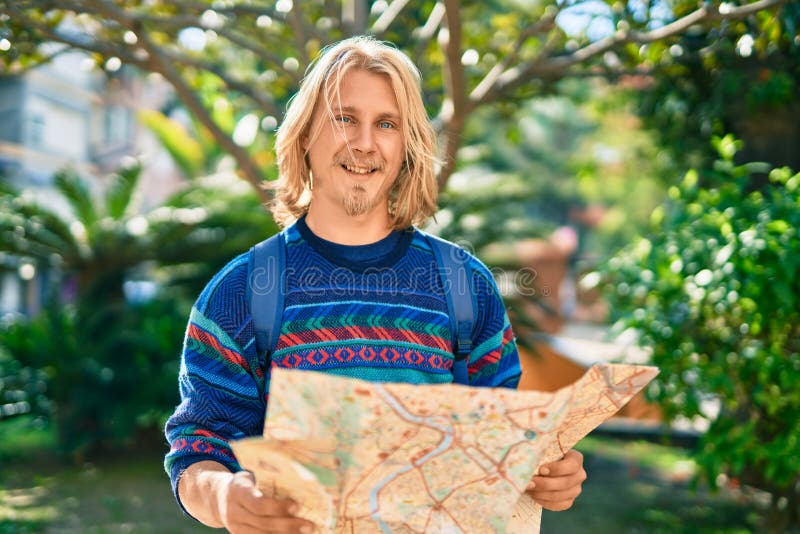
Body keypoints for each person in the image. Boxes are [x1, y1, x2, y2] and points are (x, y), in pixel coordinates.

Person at [164, 35, 586, 533]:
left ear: (407, 146)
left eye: (386, 124)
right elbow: (198, 447)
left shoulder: (465, 285)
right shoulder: (241, 292)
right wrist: (224, 496)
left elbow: (505, 447)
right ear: (305, 134)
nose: (364, 143)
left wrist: (549, 475)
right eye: (345, 118)